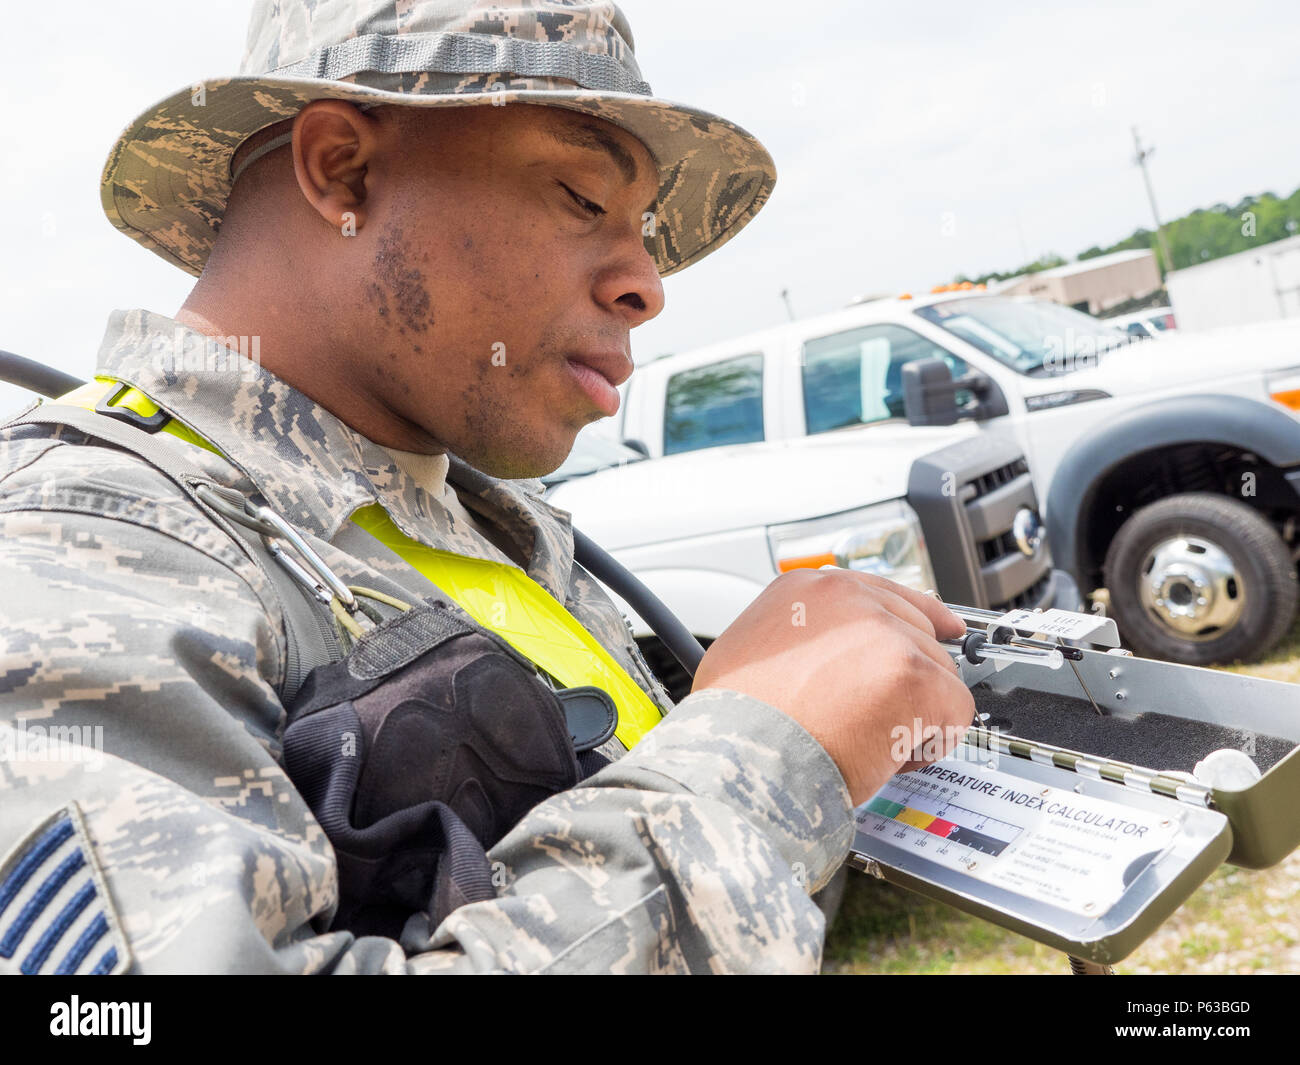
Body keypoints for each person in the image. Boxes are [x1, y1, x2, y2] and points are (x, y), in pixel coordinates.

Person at [0, 0, 974, 974]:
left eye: (643, 229)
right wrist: (762, 758)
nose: (647, 283)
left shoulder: (469, 507)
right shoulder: (72, 553)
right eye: (583, 198)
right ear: (343, 169)